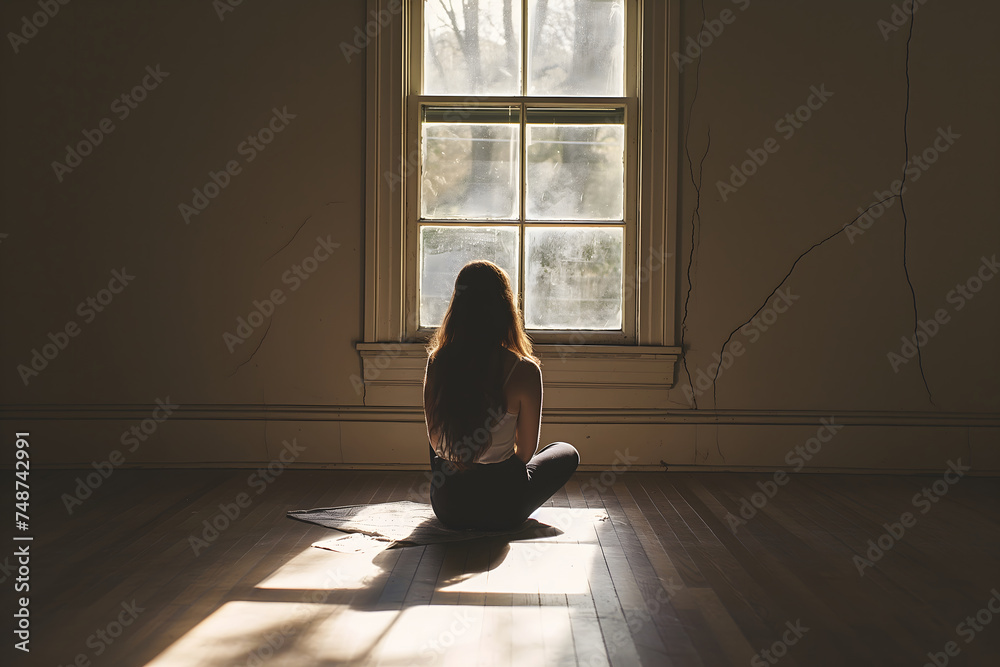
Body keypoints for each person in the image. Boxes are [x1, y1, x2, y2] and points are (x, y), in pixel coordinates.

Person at [422, 260, 580, 530]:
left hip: (449, 507)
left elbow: (436, 441)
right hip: (502, 508)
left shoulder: (438, 361)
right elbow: (526, 453)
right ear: (505, 310)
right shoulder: (525, 370)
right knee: (566, 452)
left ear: (456, 308)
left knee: (447, 422)